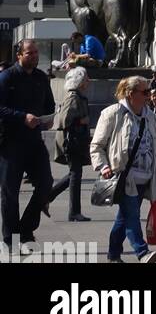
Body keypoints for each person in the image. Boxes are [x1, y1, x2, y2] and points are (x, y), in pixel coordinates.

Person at [90, 74, 156, 264]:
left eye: (149, 91)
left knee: (124, 217)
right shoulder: (112, 114)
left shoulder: (150, 116)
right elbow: (97, 145)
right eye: (145, 92)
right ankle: (142, 252)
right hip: (125, 176)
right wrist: (103, 165)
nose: (149, 95)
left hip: (146, 176)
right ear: (131, 94)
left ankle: (113, 255)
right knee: (132, 215)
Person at [0, 38, 56, 250]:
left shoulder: (42, 78)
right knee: (10, 192)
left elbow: (49, 105)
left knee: (46, 183)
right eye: (29, 53)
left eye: (35, 53)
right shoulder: (7, 77)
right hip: (10, 143)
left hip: (34, 142)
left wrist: (49, 117)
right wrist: (22, 117)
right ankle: (11, 239)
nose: (34, 56)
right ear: (19, 55)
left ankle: (26, 229)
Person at [50, 66, 91, 222]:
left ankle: (48, 197)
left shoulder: (78, 96)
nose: (89, 81)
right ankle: (74, 211)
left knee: (74, 174)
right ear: (80, 82)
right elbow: (63, 120)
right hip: (72, 141)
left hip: (77, 140)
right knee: (75, 174)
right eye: (86, 78)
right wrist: (82, 120)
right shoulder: (73, 97)